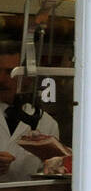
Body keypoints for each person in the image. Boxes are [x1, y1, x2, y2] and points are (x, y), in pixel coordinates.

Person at [0, 52, 62, 182]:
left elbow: (52, 172)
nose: (1, 79)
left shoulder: (46, 123)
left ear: (28, 79)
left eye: (10, 72)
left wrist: (54, 167)